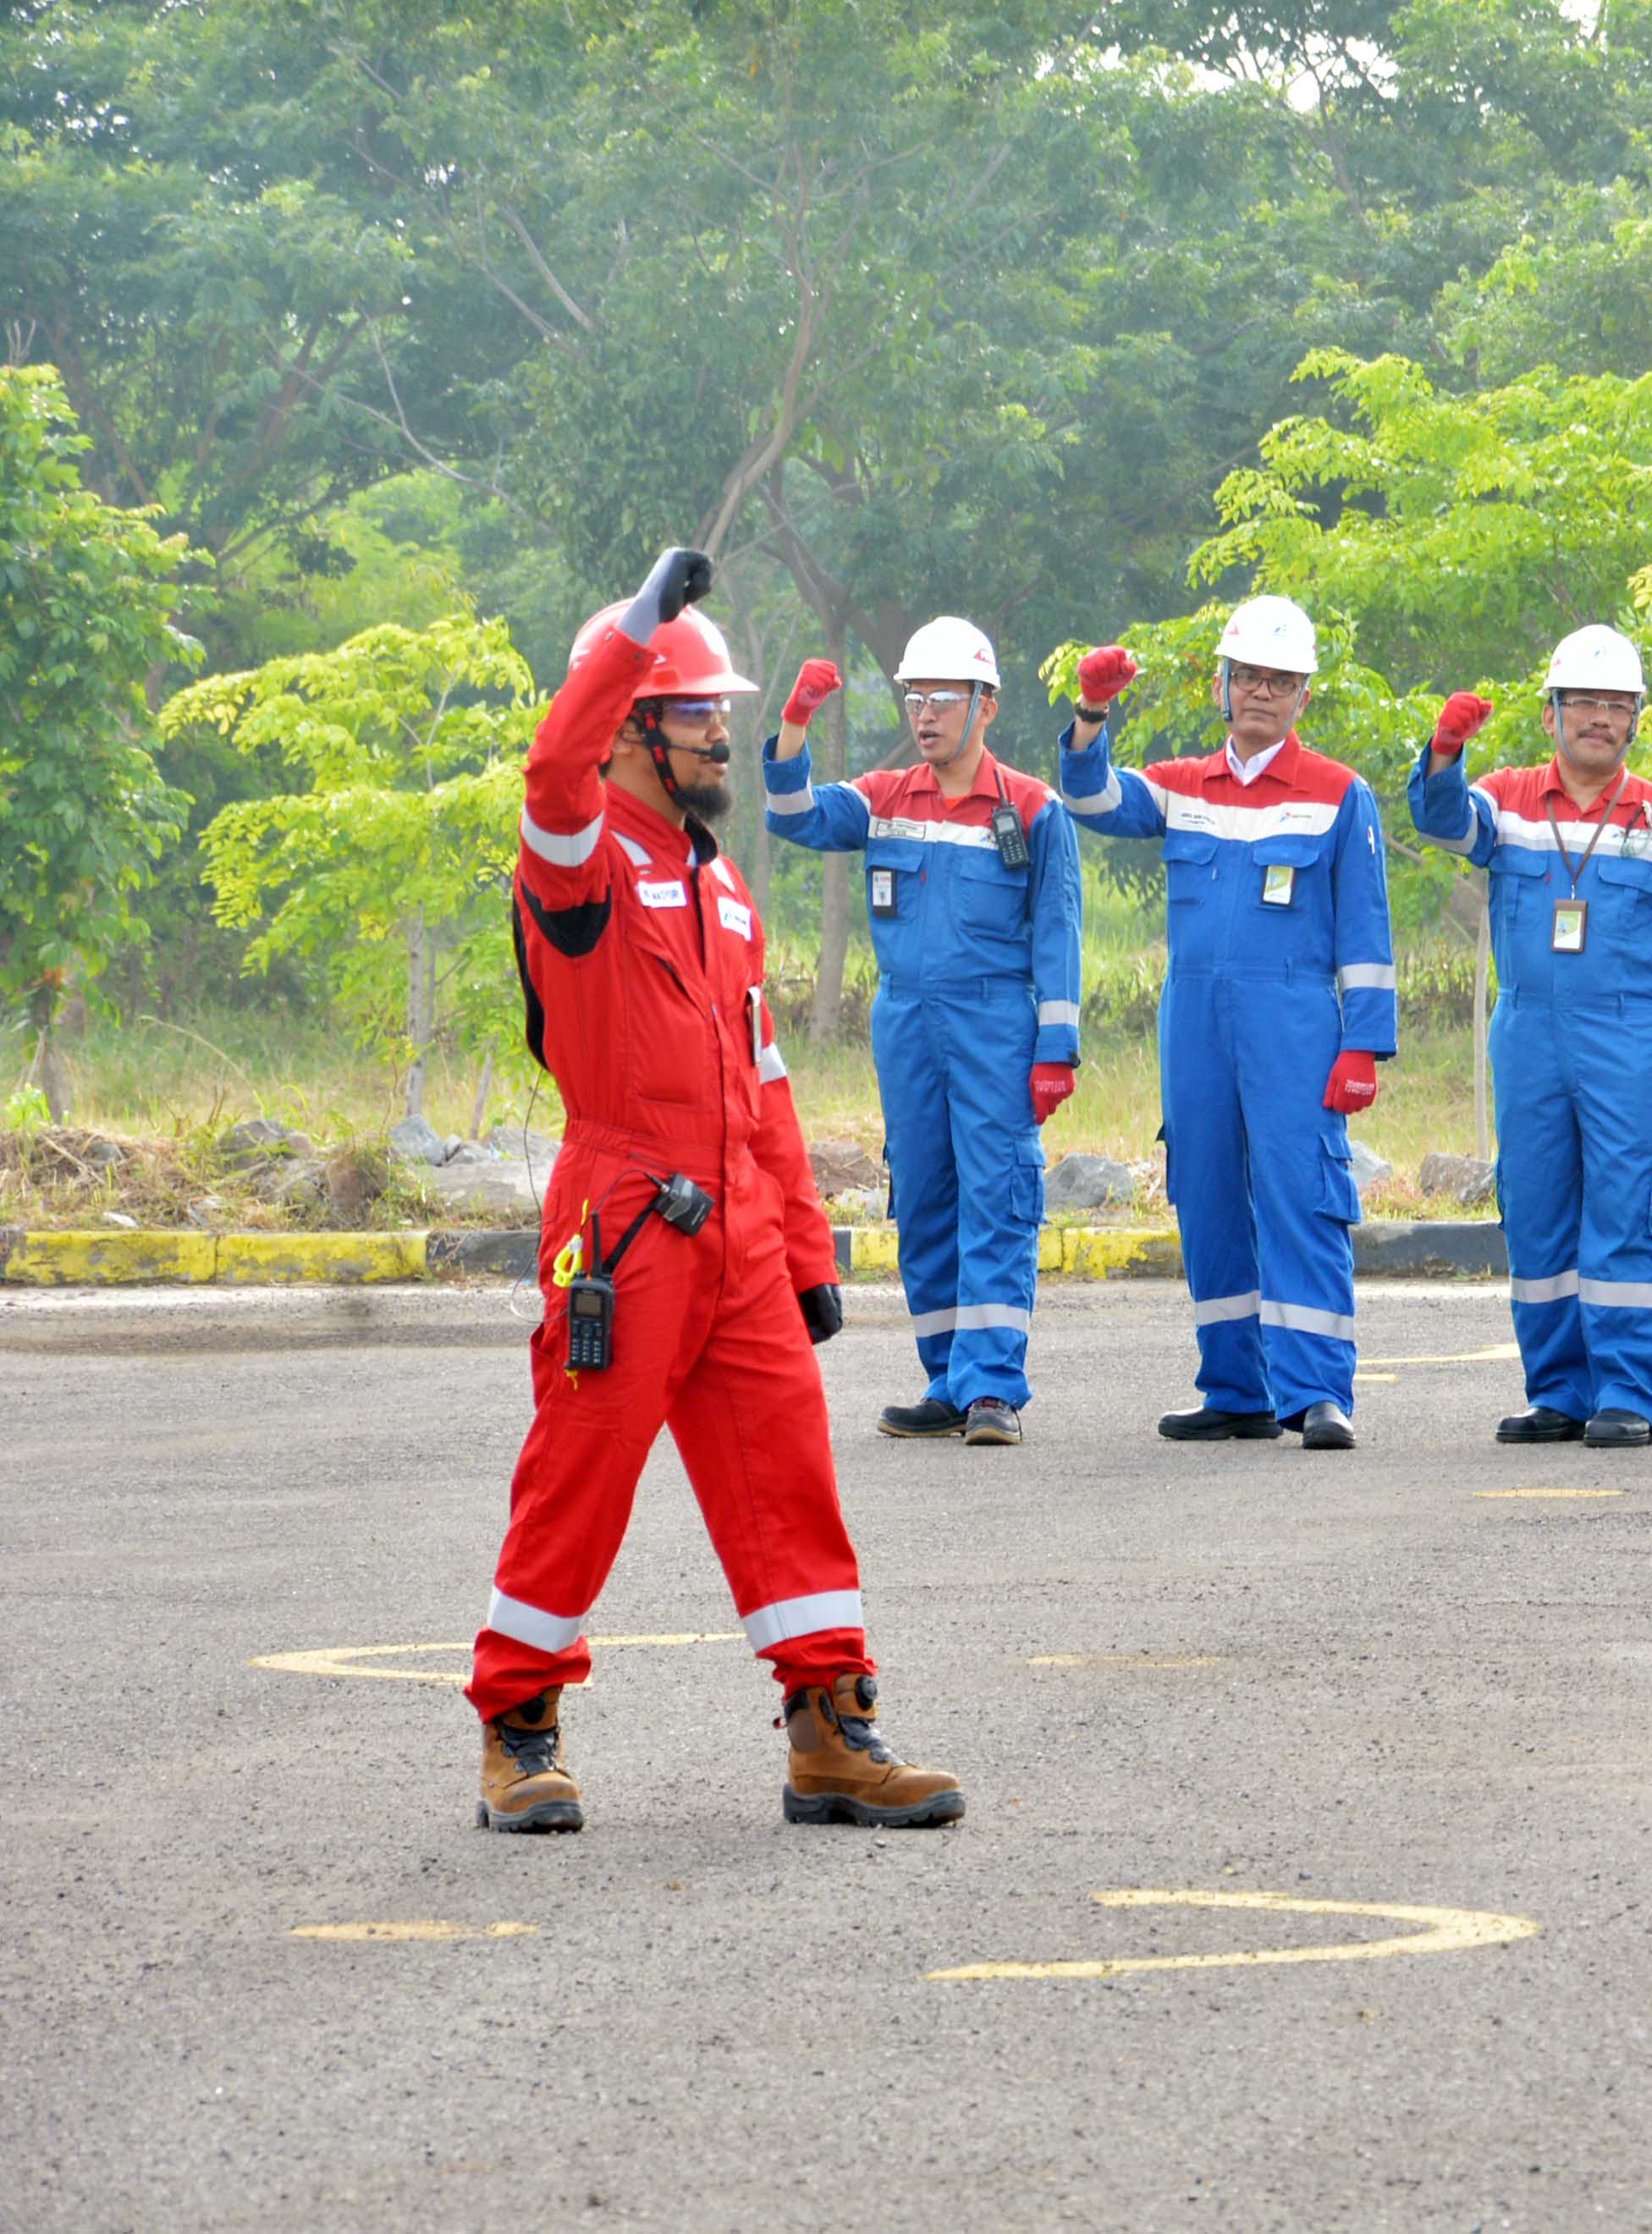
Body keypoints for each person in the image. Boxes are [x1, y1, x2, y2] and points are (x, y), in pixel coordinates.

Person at [476, 547, 961, 1836]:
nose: (718, 734)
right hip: (623, 1214)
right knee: (579, 1474)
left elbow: (765, 1077)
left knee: (792, 1473)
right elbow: (549, 767)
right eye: (698, 713)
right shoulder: (575, 858)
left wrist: (802, 1247)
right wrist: (640, 626)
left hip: (737, 1221)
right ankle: (518, 1725)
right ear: (633, 725)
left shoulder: (723, 884)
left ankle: (831, 1732)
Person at [1058, 597, 1394, 1447]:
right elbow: (1092, 801)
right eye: (1247, 676)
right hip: (1195, 1017)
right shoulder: (1179, 787)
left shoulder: (1336, 795)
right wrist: (1090, 715)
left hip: (1293, 1020)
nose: (1260, 694)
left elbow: (1365, 929)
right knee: (1203, 1191)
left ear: (1302, 696)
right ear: (1223, 684)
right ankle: (1236, 1387)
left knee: (1299, 1194)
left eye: (1279, 682)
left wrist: (1364, 1042)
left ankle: (1317, 1391)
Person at [761, 617, 1082, 1447]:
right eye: (914, 695)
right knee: (926, 1196)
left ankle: (992, 1387)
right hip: (905, 1020)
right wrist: (793, 724)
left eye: (942, 696)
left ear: (987, 706)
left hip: (993, 1022)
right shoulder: (881, 801)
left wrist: (1055, 1051)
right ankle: (944, 1378)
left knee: (997, 1194)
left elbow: (1058, 932)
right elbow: (792, 814)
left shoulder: (1033, 810)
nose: (925, 712)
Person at [1411, 625, 1652, 1446]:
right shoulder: (1508, 797)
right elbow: (1446, 824)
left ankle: (1627, 1394)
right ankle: (1558, 1392)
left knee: (1626, 1210)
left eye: (1616, 705)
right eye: (1583, 701)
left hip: (1625, 1034)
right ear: (1550, 712)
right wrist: (1442, 755)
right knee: (1537, 1213)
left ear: (1634, 721)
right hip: (1528, 1032)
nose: (1599, 717)